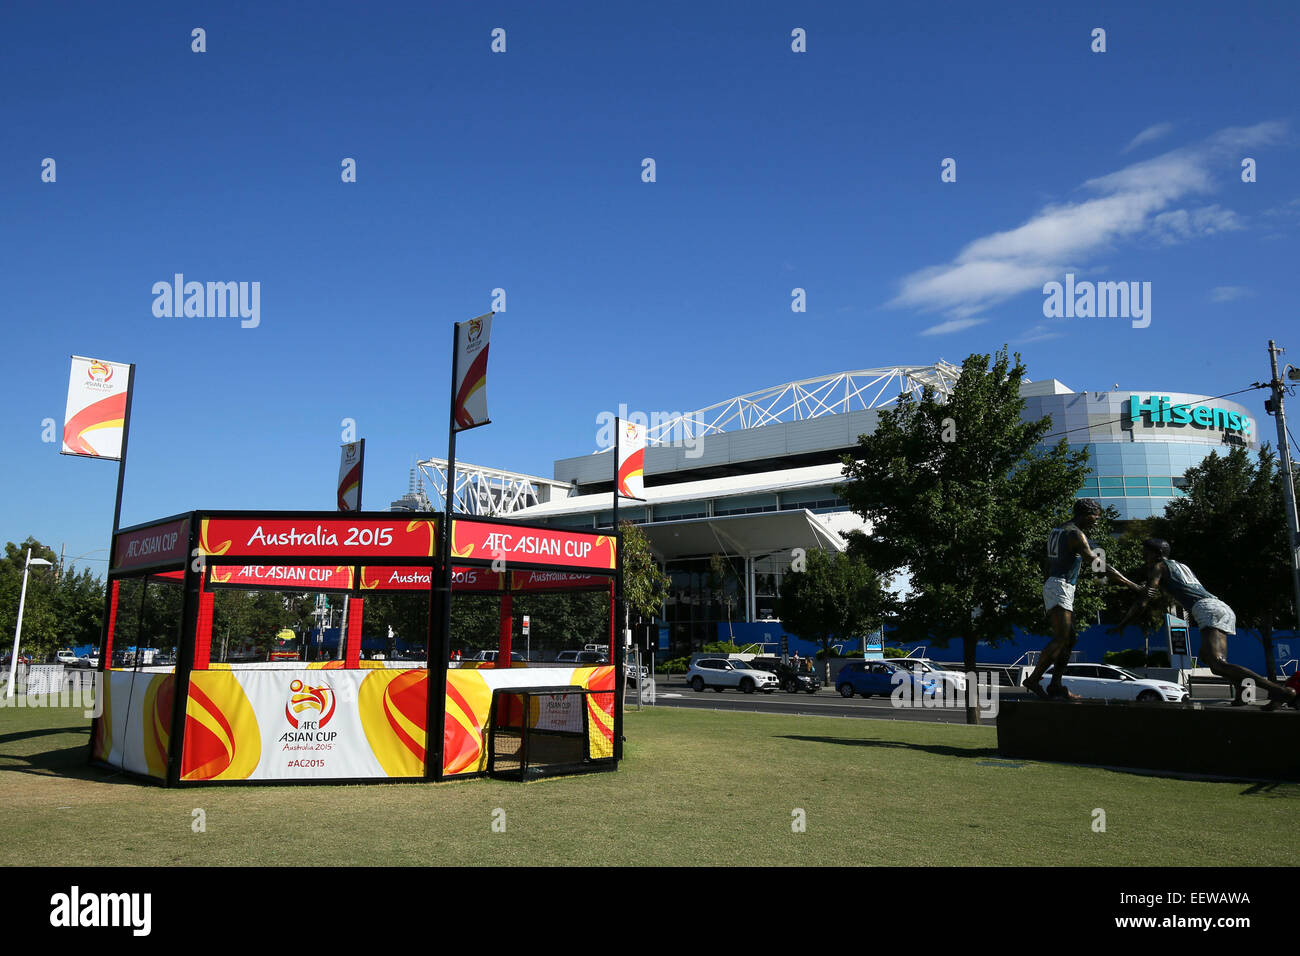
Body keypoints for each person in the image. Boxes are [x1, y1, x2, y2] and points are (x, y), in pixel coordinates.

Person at [1110, 538, 1298, 710]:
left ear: (1156, 554)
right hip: (1219, 606)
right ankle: (1241, 692)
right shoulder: (1179, 565)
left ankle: (1280, 691)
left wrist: (1123, 623)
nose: (1143, 555)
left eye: (1145, 551)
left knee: (1216, 661)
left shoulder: (1158, 566)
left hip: (1206, 608)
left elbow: (1145, 599)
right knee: (1211, 661)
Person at [1024, 498, 1143, 700]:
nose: (1097, 520)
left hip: (1056, 585)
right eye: (1096, 516)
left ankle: (1055, 684)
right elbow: (1096, 563)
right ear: (1087, 513)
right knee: (1062, 638)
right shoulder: (1075, 534)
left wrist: (1048, 586)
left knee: (1071, 639)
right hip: (1060, 585)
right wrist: (1132, 585)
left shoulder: (1057, 530)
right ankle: (1034, 679)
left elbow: (1047, 562)